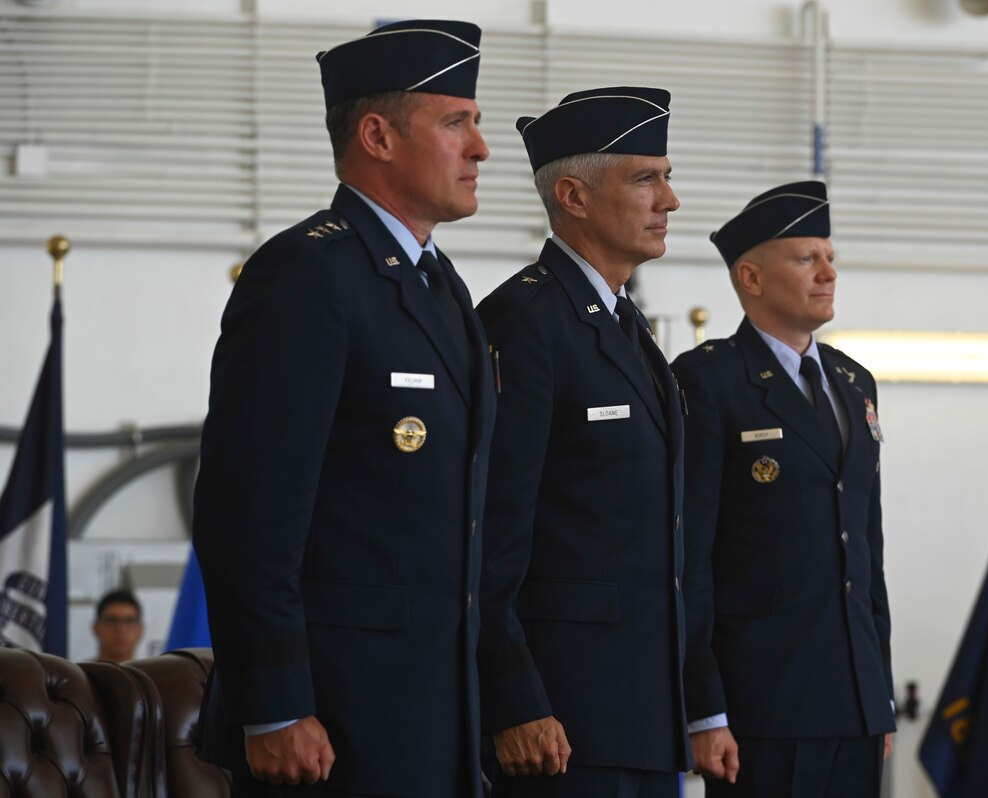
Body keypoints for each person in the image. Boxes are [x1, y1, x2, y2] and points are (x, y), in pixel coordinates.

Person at [191, 19, 494, 798]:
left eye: (477, 123)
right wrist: (275, 705)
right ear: (377, 136)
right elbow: (246, 510)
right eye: (456, 122)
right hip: (334, 718)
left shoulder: (441, 288)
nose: (481, 148)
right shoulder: (308, 273)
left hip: (436, 706)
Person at [475, 87, 691, 797]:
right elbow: (490, 536)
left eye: (667, 176)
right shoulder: (527, 321)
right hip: (563, 725)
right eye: (645, 178)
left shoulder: (625, 328)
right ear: (573, 195)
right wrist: (516, 698)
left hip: (643, 716)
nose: (670, 200)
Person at [671, 182, 896, 797]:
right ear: (751, 276)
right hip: (763, 706)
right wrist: (704, 707)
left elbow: (867, 552)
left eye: (830, 258)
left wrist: (879, 688)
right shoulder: (710, 380)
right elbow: (691, 561)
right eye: (806, 259)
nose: (828, 273)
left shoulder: (854, 382)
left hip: (854, 701)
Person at [92, 589, 144, 663]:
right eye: (112, 621)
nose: (121, 629)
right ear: (96, 628)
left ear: (140, 629)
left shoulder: (150, 674)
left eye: (130, 621)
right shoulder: (79, 674)